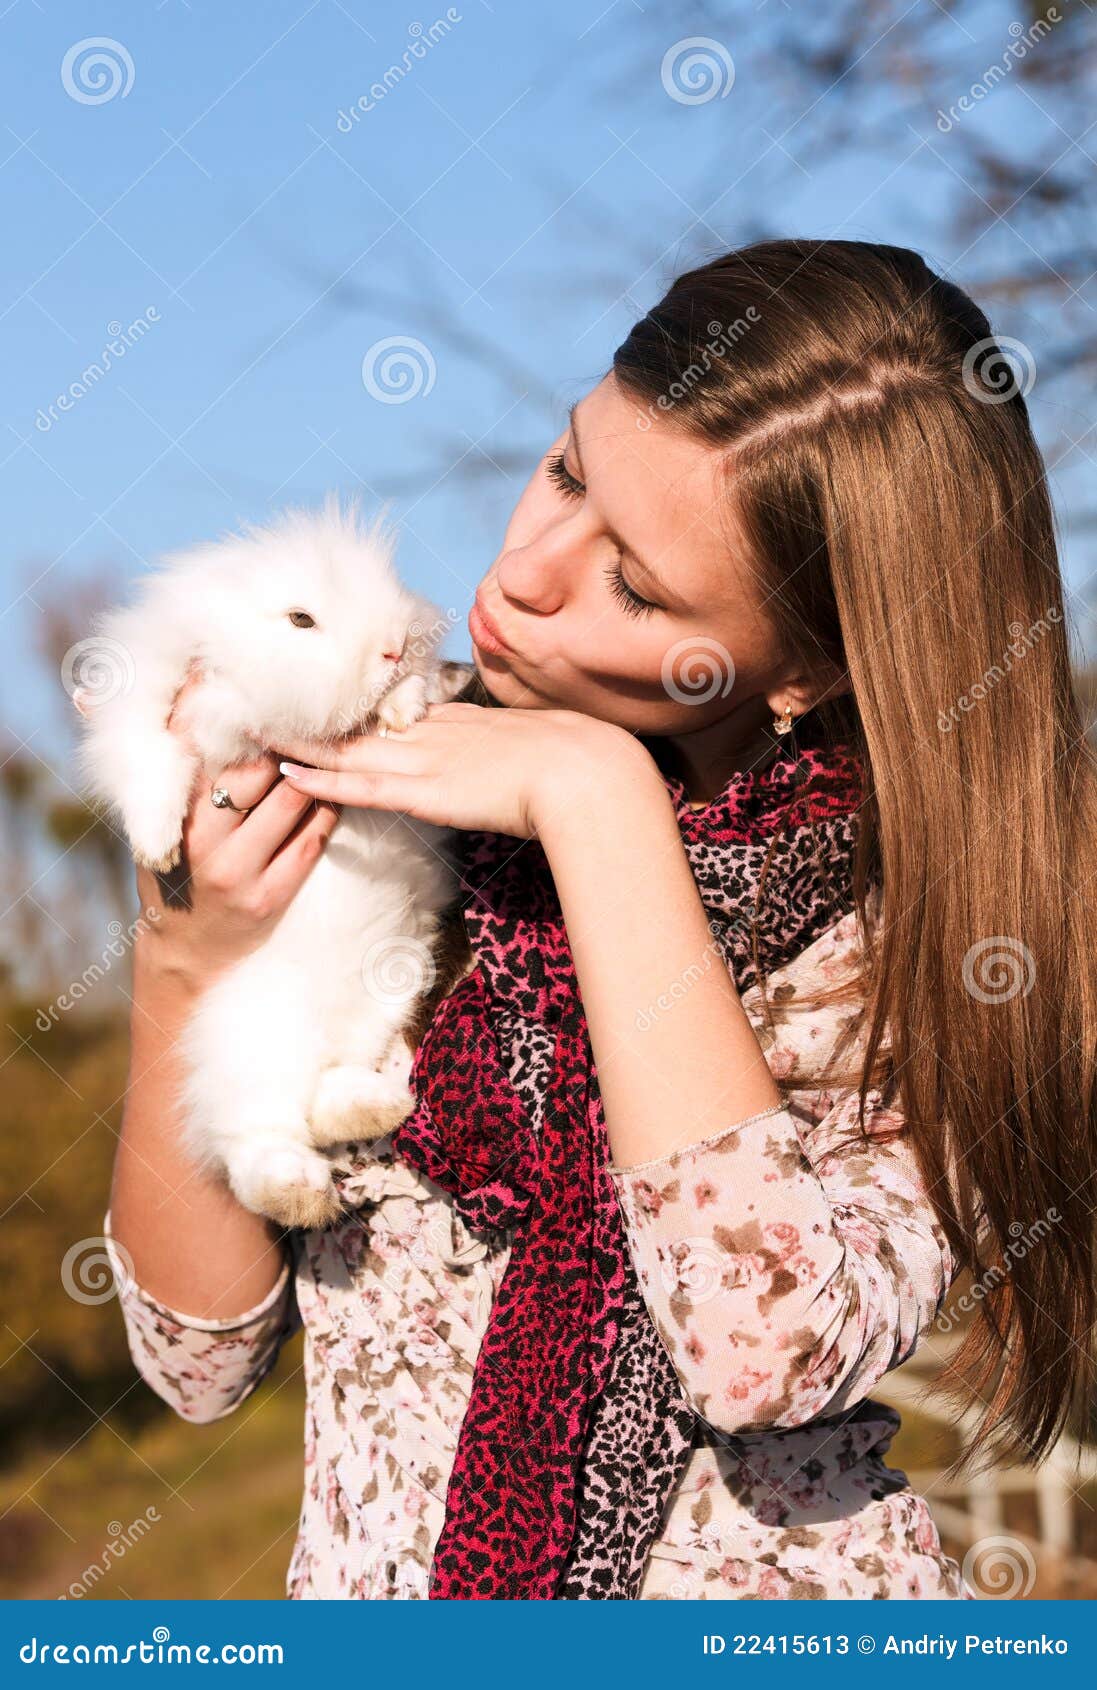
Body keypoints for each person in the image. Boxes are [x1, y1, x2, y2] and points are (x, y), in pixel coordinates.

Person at [104, 239, 1097, 1600]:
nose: (525, 574)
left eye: (636, 587)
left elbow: (762, 1357)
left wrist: (594, 804)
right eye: (567, 469)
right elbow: (197, 1366)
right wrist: (181, 958)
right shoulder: (375, 777)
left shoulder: (932, 932)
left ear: (805, 665)